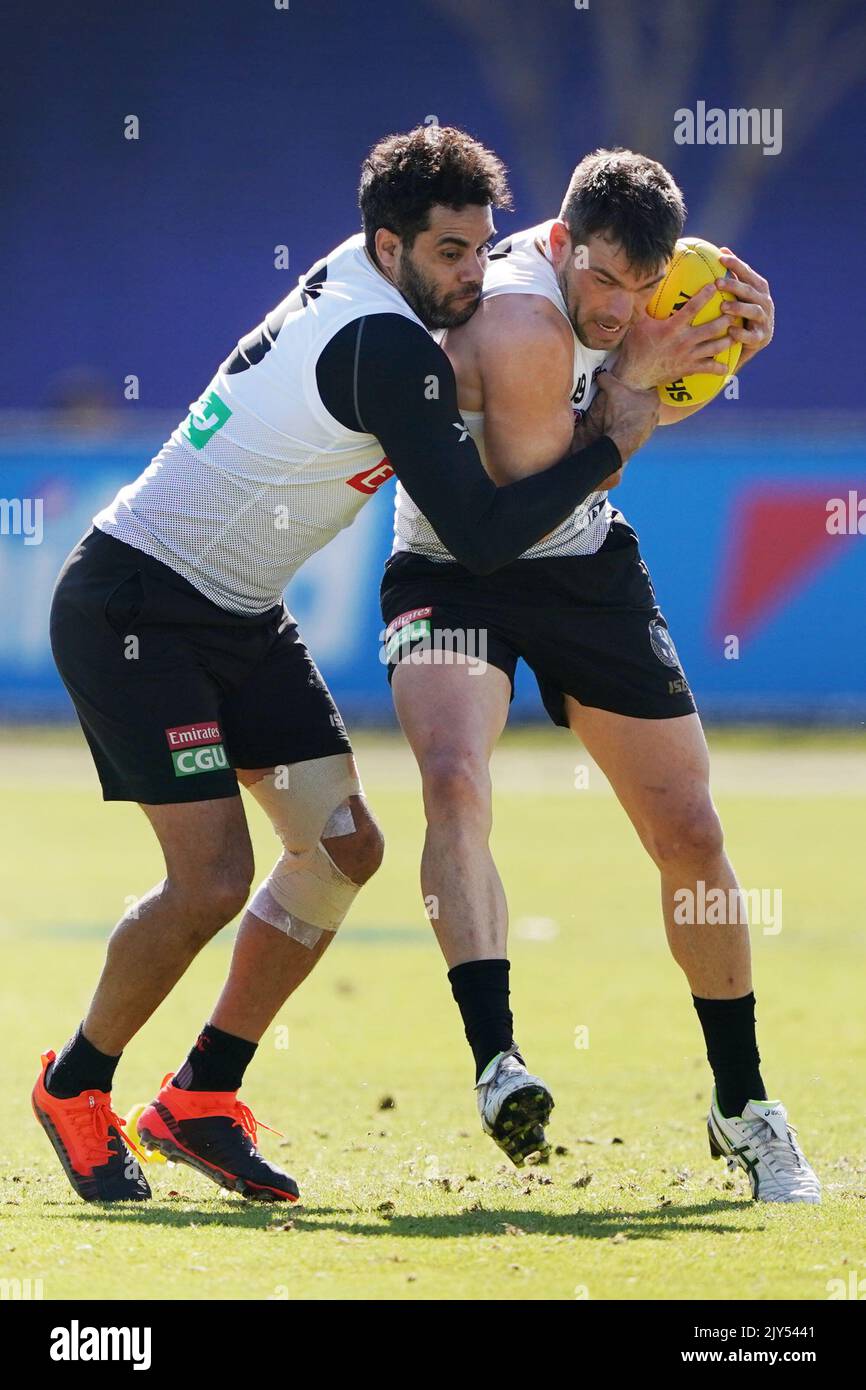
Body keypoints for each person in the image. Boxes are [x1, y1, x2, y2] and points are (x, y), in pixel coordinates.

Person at [34, 128, 658, 1205]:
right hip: (137, 605)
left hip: (235, 611)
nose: (475, 273)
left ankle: (198, 1097)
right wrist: (610, 441)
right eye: (452, 253)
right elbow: (479, 536)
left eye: (482, 249)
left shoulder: (383, 294)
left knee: (342, 847)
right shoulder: (388, 351)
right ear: (390, 244)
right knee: (215, 879)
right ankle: (76, 1085)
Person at [381, 148, 820, 1203]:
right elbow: (537, 491)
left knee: (692, 833)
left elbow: (629, 423)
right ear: (563, 243)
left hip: (581, 563)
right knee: (452, 780)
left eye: (644, 283)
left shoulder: (663, 289)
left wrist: (712, 352)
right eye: (605, 280)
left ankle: (742, 1101)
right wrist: (638, 381)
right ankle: (498, 1061)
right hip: (458, 559)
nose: (622, 305)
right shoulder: (520, 320)